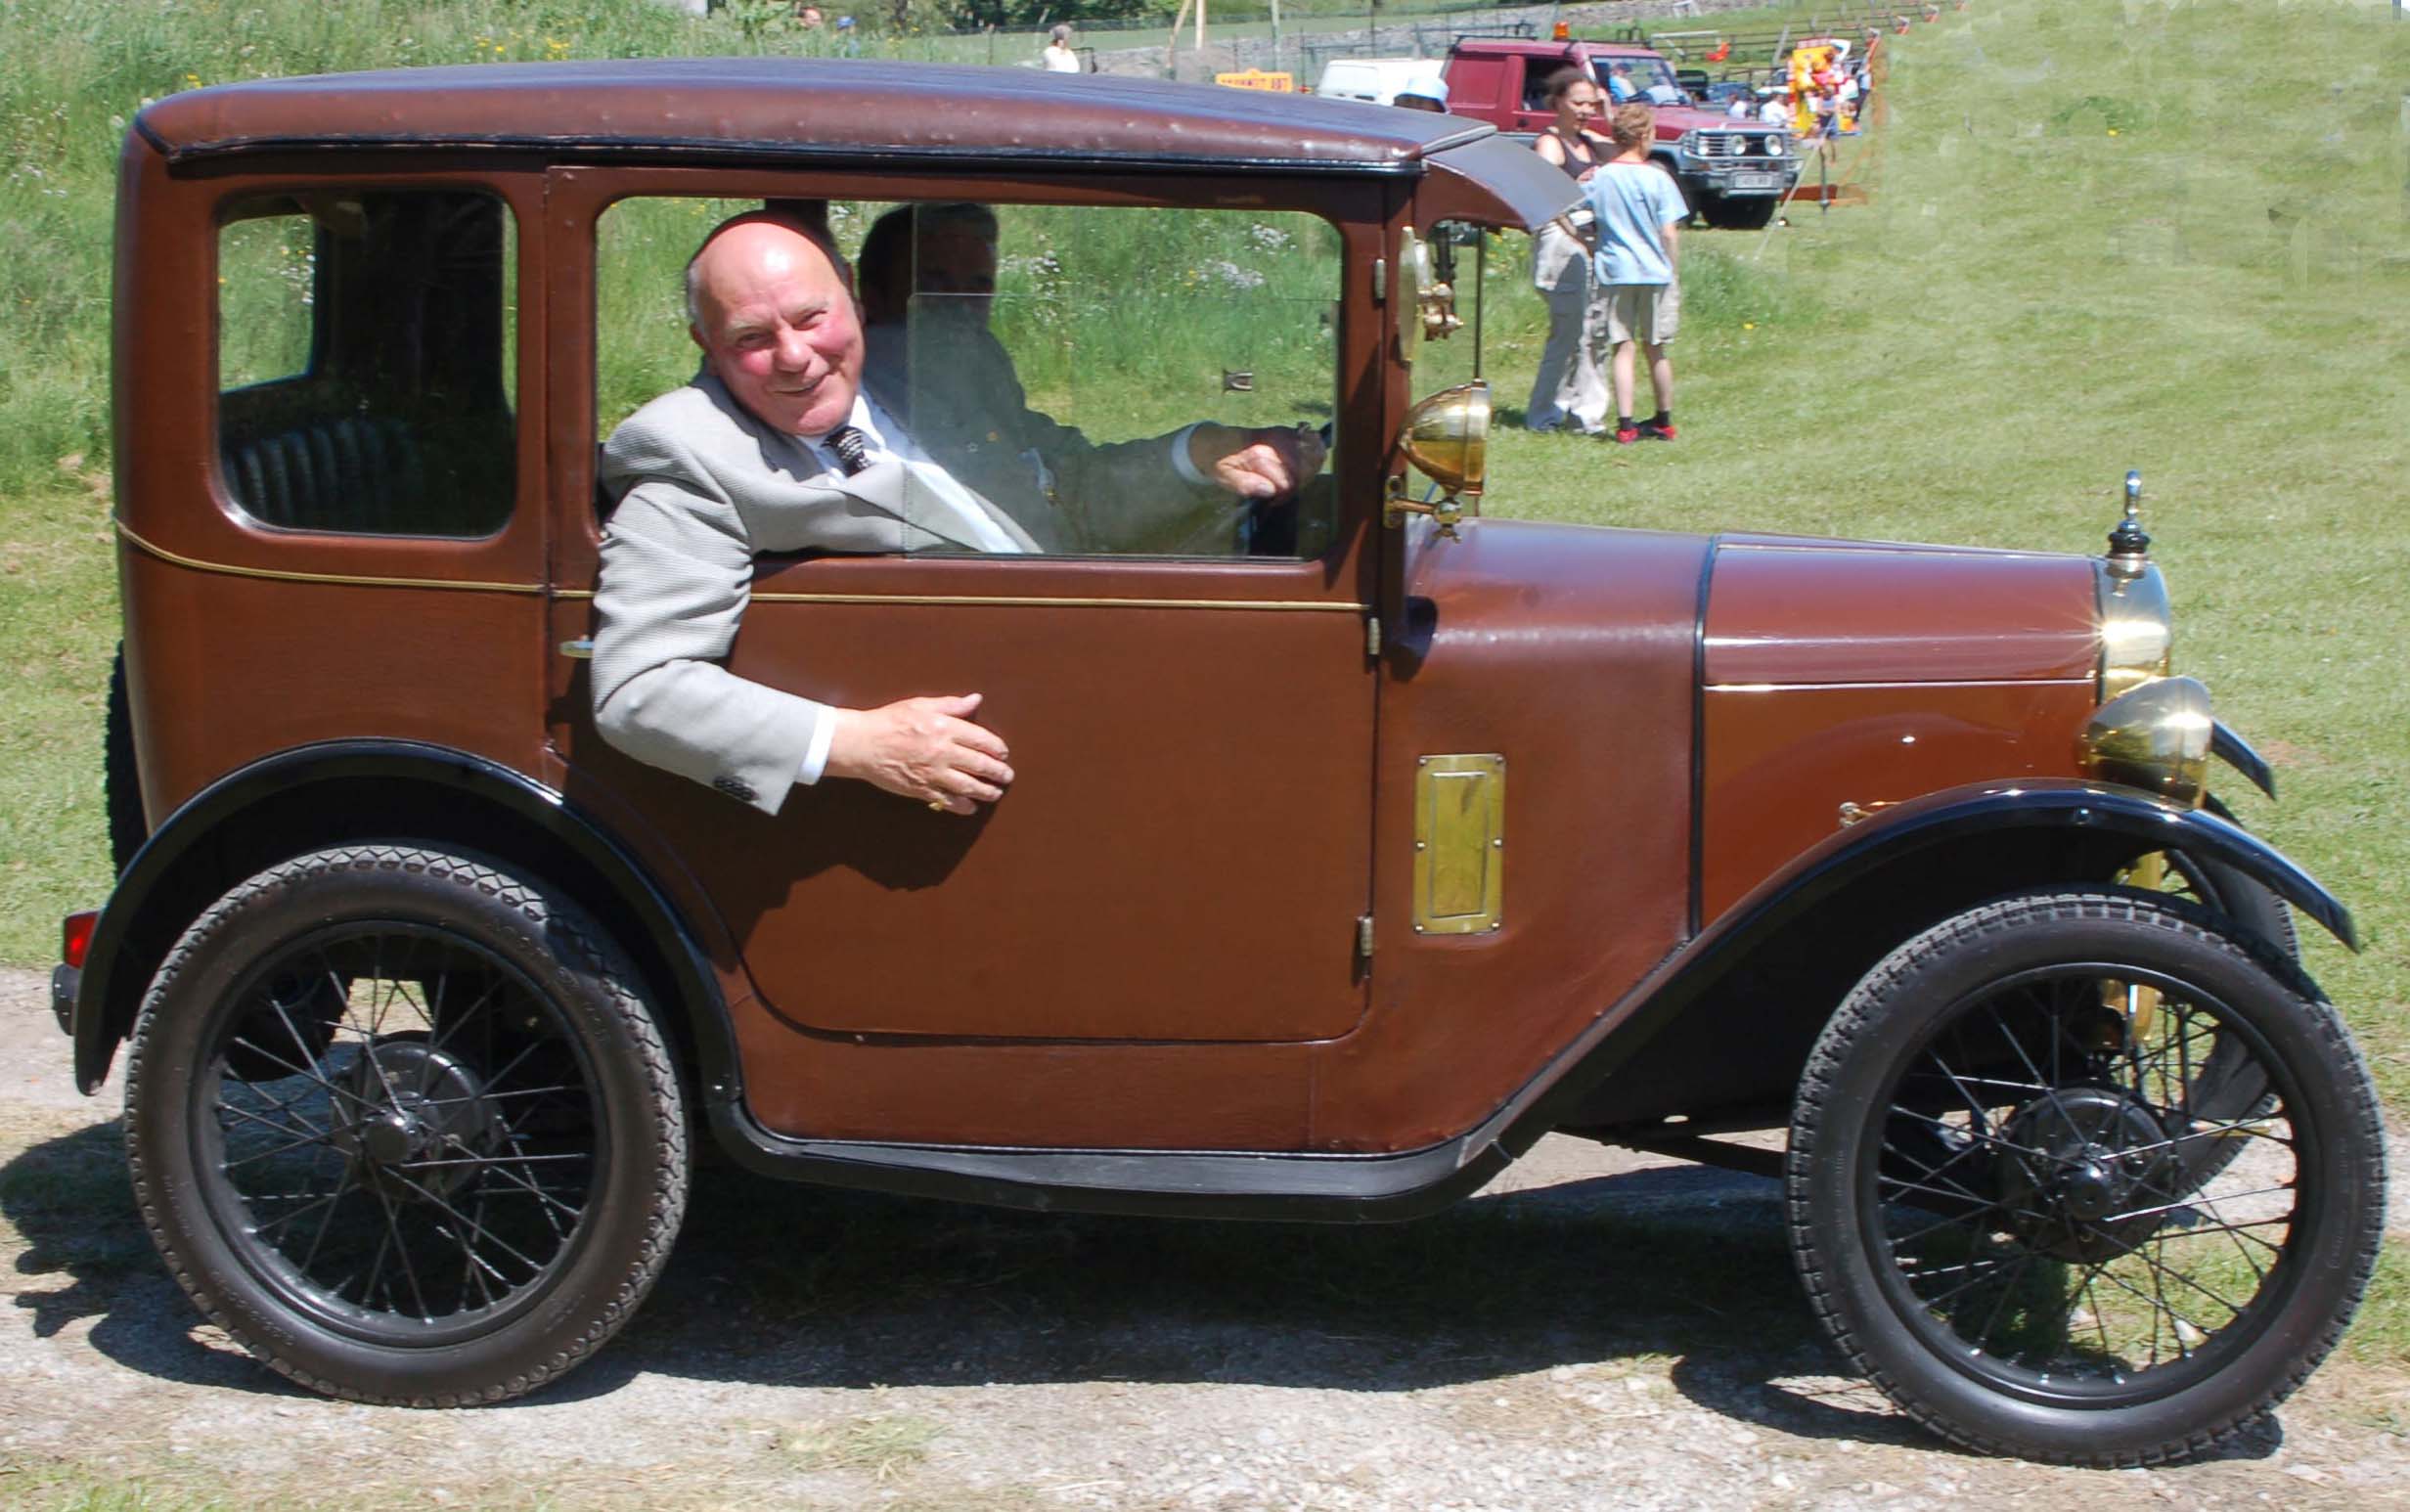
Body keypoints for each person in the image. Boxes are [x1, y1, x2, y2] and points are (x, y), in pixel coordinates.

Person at [590, 211, 1319, 818]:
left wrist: (1198, 458)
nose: (795, 357)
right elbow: (639, 689)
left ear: (855, 299)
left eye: (814, 318)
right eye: (752, 338)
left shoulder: (937, 362)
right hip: (973, 763)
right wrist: (855, 744)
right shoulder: (685, 451)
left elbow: (1060, 489)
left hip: (1110, 673)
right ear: (706, 346)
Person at [1581, 103, 1685, 445]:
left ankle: (1625, 424)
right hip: (1654, 271)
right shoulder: (1658, 177)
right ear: (1643, 137)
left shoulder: (1602, 177)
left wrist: (1589, 243)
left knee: (1622, 346)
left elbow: (1575, 209)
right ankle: (1663, 419)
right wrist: (1673, 268)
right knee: (1655, 346)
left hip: (1615, 271)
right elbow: (1669, 231)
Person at [1524, 68, 1610, 435]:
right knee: (1568, 334)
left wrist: (1609, 109)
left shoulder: (1590, 141)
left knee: (1595, 332)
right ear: (1557, 102)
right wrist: (1575, 232)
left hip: (1591, 247)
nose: (1586, 110)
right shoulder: (1550, 143)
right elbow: (1546, 196)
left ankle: (1586, 413)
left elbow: (1632, 149)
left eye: (1592, 103)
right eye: (1579, 103)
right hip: (1562, 247)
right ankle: (1544, 414)